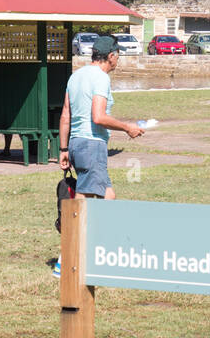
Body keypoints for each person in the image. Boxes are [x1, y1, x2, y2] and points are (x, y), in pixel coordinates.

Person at [53, 35, 144, 278]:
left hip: (75, 143)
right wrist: (128, 127)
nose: (118, 61)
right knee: (82, 204)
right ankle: (67, 260)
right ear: (112, 56)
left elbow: (65, 116)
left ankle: (102, 253)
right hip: (92, 146)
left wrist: (63, 149)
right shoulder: (101, 78)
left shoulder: (75, 76)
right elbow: (98, 117)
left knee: (108, 196)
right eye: (118, 56)